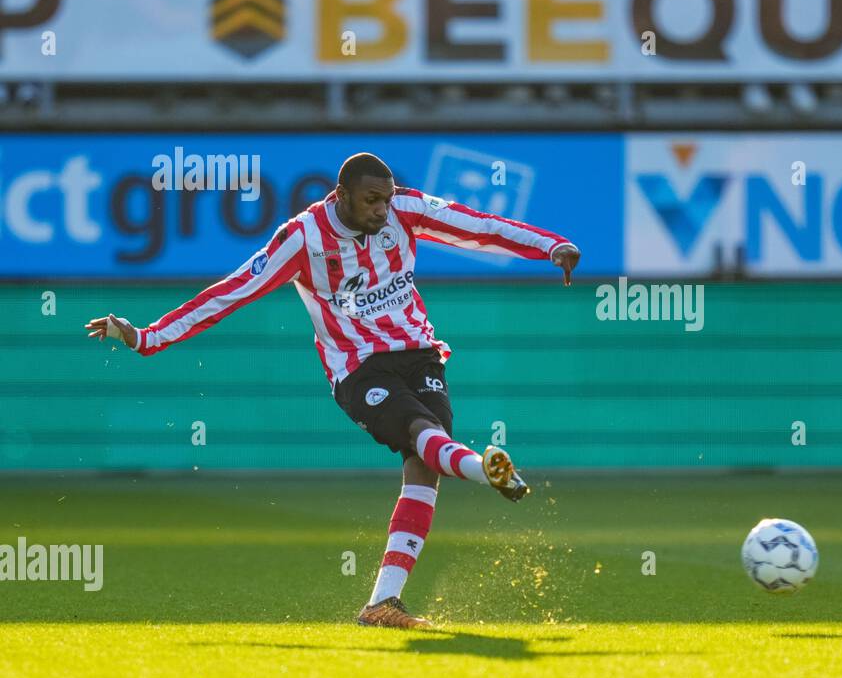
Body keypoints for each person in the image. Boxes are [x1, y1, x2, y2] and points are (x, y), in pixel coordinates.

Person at [85, 154, 581, 630]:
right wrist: (148, 337)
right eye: (370, 201)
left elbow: (477, 226)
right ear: (340, 195)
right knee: (422, 433)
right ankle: (482, 470)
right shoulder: (302, 238)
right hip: (358, 369)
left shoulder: (404, 211)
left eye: (385, 200)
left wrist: (550, 246)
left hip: (420, 354)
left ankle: (383, 602)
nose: (381, 210)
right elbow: (234, 290)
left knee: (425, 461)